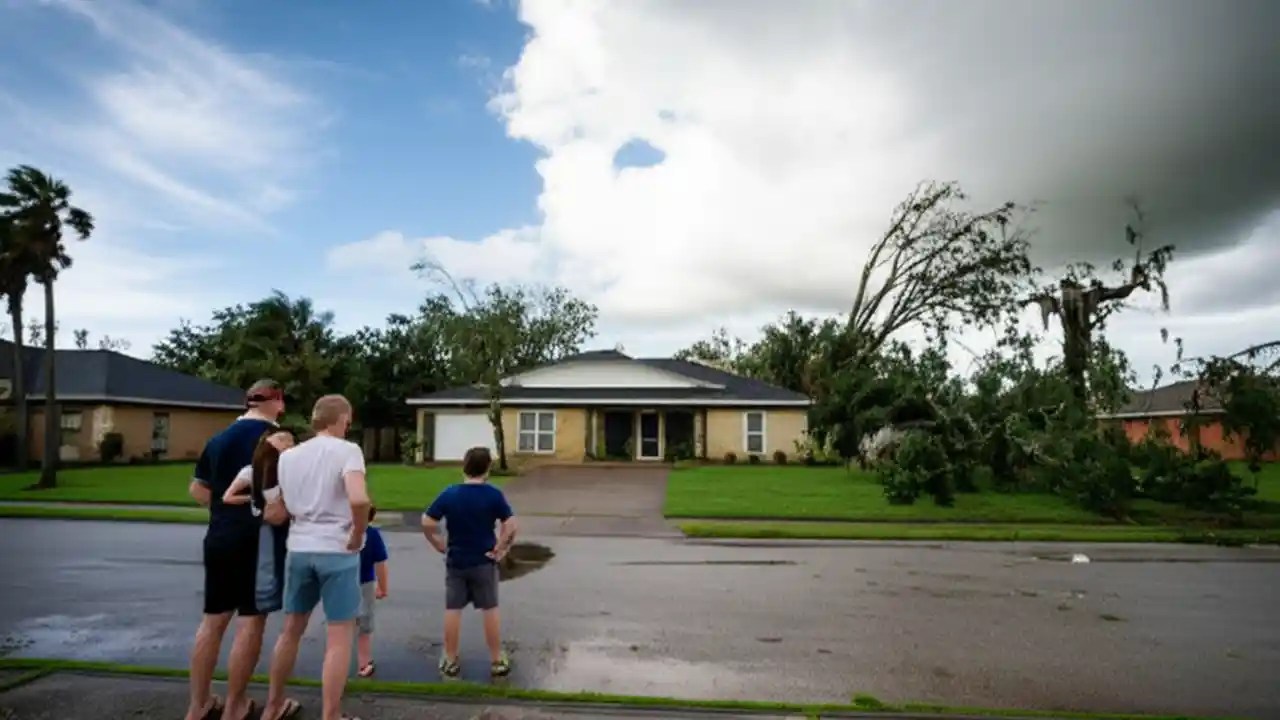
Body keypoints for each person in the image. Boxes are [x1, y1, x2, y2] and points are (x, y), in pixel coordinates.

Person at [261, 394, 371, 720]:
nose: (348, 427)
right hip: (336, 550)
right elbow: (360, 500)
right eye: (347, 421)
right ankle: (331, 715)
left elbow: (277, 510)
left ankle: (273, 705)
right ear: (340, 419)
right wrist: (358, 534)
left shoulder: (289, 457)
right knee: (339, 638)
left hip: (299, 548)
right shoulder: (348, 451)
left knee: (290, 631)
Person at [185, 379, 284, 720]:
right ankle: (235, 705)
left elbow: (198, 489)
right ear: (278, 401)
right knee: (251, 622)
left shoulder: (218, 440)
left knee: (212, 622)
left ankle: (198, 705)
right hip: (258, 541)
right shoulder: (275, 442)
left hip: (219, 537)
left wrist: (227, 508)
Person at [422, 446, 518, 678]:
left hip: (456, 560)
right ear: (487, 468)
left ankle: (451, 658)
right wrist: (501, 546)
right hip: (484, 560)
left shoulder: (450, 493)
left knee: (453, 609)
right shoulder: (493, 494)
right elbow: (511, 524)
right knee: (489, 608)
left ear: (464, 466)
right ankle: (496, 660)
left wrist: (437, 543)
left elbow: (427, 521)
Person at [222, 429, 297, 615]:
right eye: (284, 440)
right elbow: (228, 497)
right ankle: (270, 598)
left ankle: (272, 597)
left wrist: (254, 500)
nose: (289, 445)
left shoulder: (260, 470)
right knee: (271, 561)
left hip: (269, 519)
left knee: (272, 561)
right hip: (270, 521)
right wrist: (254, 499)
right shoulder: (259, 471)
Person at [355, 506, 389, 677]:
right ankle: (364, 663)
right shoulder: (372, 534)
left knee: (341, 625)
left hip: (340, 582)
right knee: (364, 624)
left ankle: (335, 662)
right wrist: (383, 587)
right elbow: (380, 563)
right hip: (365, 583)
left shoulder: (340, 532)